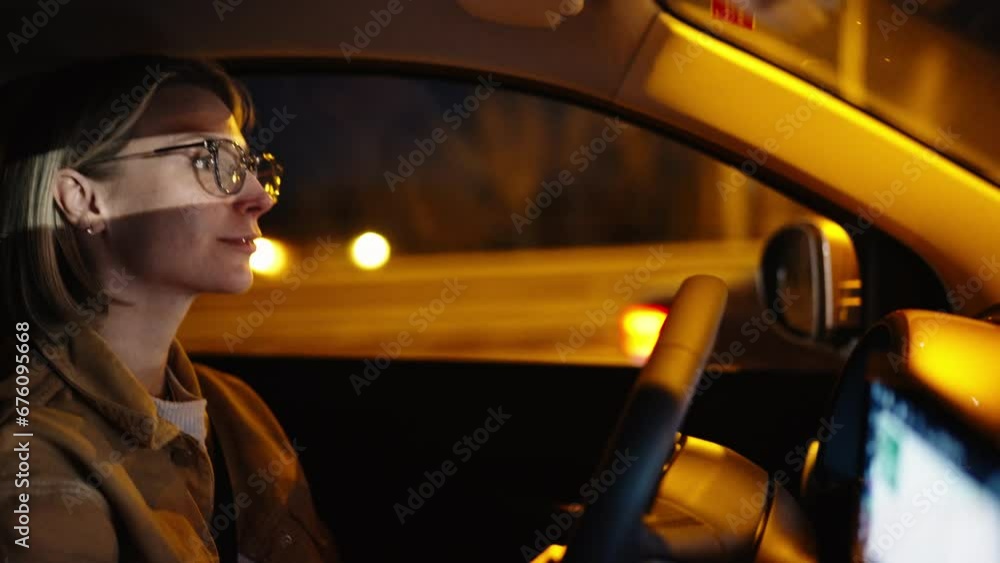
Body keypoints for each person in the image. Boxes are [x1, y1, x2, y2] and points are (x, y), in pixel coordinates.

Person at [0, 56, 337, 562]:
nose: (256, 198)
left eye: (248, 168)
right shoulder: (31, 453)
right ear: (84, 200)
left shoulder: (237, 408)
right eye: (209, 160)